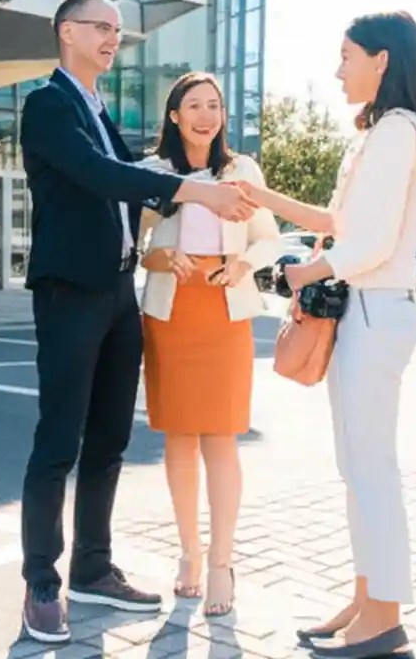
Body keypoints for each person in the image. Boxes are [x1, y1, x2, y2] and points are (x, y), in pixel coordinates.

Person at [17, 0, 259, 644]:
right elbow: (99, 175)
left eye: (117, 32)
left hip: (119, 295)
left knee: (108, 443)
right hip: (70, 292)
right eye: (101, 27)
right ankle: (43, 582)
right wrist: (189, 188)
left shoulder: (96, 108)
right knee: (58, 442)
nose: (111, 39)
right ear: (67, 32)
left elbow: (123, 184)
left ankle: (93, 567)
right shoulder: (47, 105)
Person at [231, 11, 416, 658]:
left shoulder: (397, 132)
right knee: (359, 467)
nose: (338, 68)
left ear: (383, 60)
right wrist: (263, 200)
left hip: (376, 309)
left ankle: (383, 619)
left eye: (348, 55)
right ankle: (366, 600)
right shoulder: (383, 133)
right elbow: (339, 219)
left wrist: (307, 270)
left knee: (370, 469)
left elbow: (370, 243)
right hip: (370, 311)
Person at [134, 71, 282, 617]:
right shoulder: (153, 172)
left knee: (221, 439)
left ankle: (222, 562)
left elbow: (269, 237)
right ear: (174, 116)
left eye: (214, 105)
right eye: (193, 105)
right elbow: (137, 244)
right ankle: (189, 555)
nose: (205, 115)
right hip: (172, 314)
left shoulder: (241, 170)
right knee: (178, 439)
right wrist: (161, 258)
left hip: (226, 310)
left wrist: (244, 262)